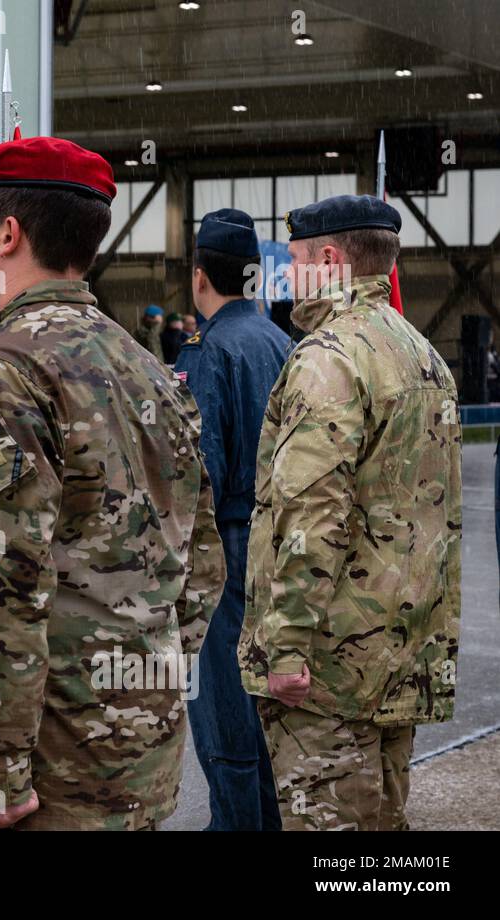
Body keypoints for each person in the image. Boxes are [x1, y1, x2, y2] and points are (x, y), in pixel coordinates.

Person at [0, 135, 225, 830]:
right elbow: (202, 561)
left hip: (46, 775)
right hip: (138, 755)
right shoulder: (150, 367)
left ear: (7, 234)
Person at [240, 194, 462, 831]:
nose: (287, 274)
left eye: (296, 260)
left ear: (329, 259)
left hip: (330, 664)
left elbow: (311, 516)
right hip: (400, 652)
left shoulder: (327, 360)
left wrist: (283, 646)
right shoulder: (424, 356)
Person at [175, 209, 291, 831]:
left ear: (200, 277)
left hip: (226, 548)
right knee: (270, 713)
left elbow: (197, 477)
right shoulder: (283, 343)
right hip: (281, 546)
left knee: (225, 716)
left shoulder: (208, 351)